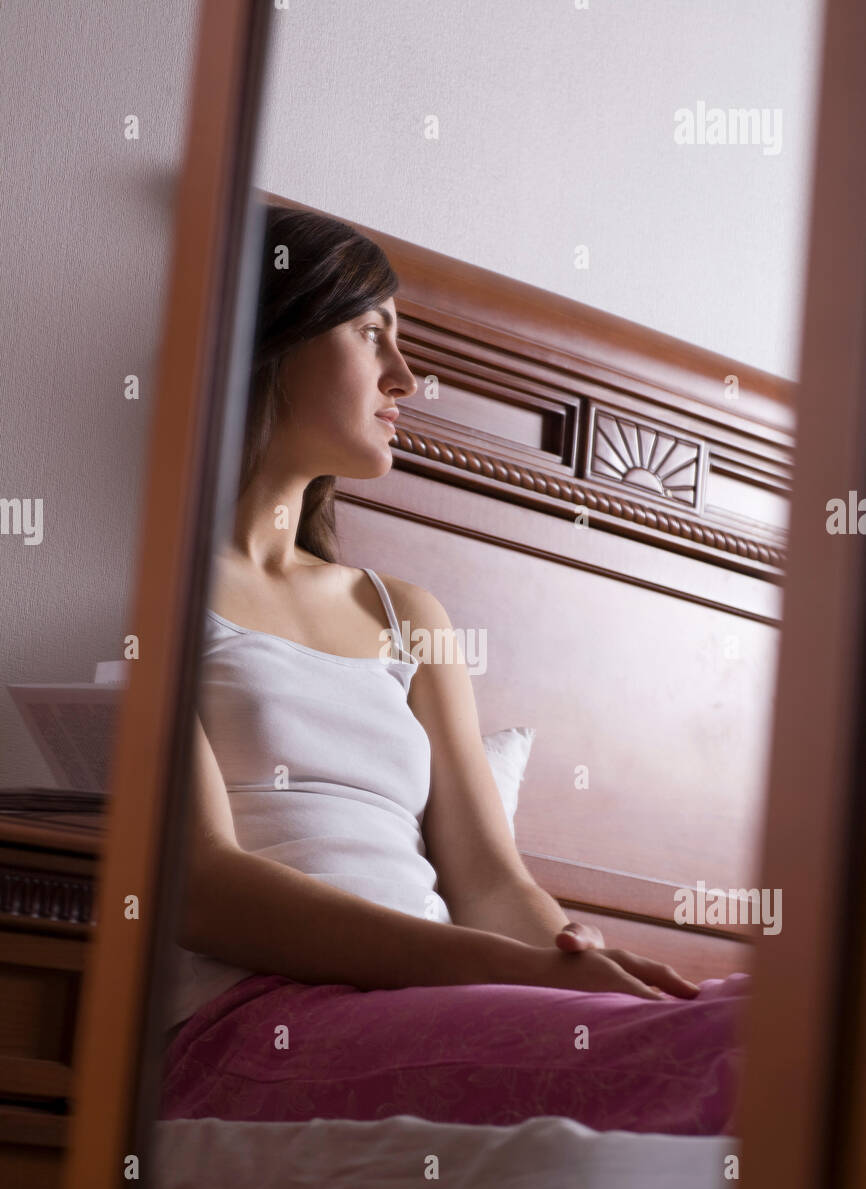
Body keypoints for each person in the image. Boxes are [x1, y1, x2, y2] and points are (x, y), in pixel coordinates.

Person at [160, 205, 748, 1135]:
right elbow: (202, 884)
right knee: (726, 1053)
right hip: (257, 1024)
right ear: (269, 340)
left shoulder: (405, 615)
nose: (406, 376)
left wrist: (577, 960)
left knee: (757, 1022)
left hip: (434, 999)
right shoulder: (164, 602)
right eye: (371, 333)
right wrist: (506, 972)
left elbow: (487, 882)